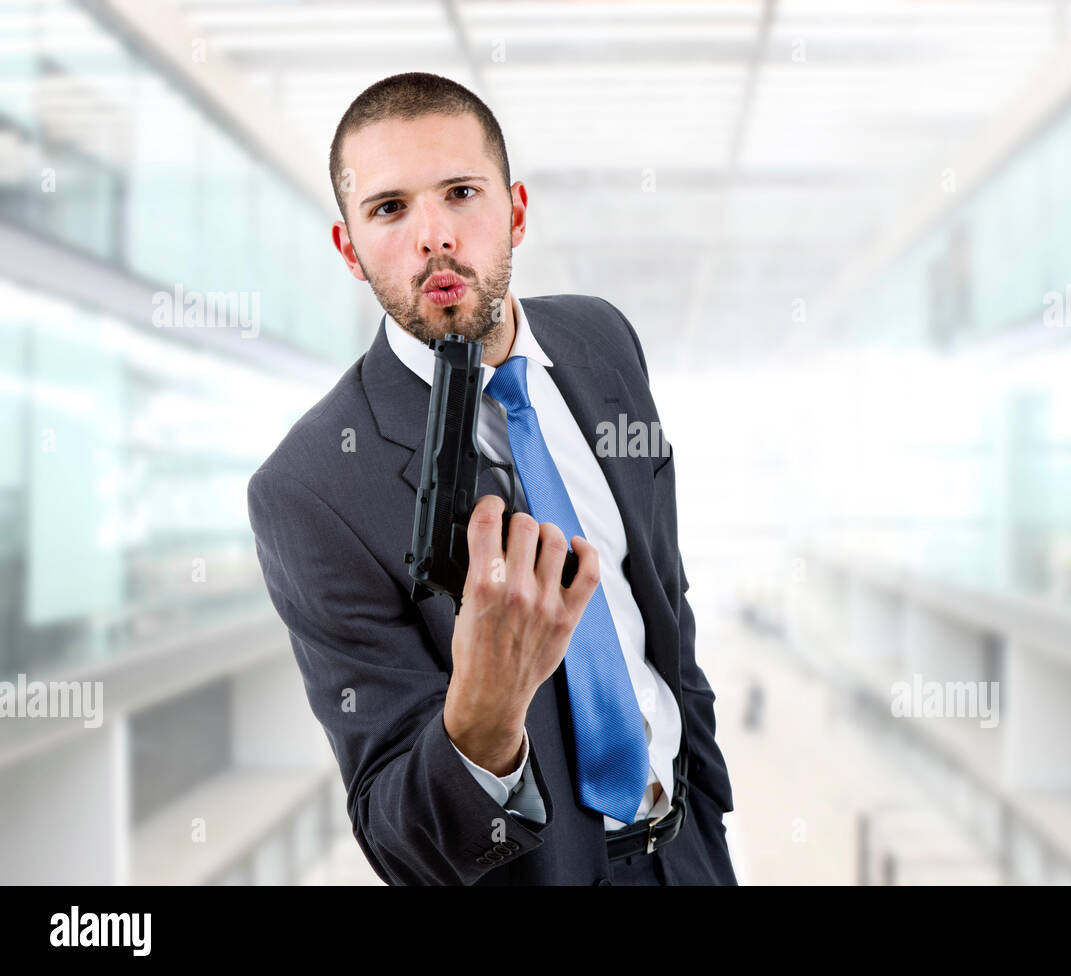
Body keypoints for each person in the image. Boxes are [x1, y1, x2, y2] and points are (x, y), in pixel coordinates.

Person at [246, 72, 737, 885]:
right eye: (389, 208)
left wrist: (708, 802)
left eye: (461, 193)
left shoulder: (603, 338)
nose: (433, 235)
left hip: (690, 850)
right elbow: (396, 835)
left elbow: (659, 594)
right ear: (350, 249)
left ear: (514, 210)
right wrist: (483, 714)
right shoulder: (307, 491)